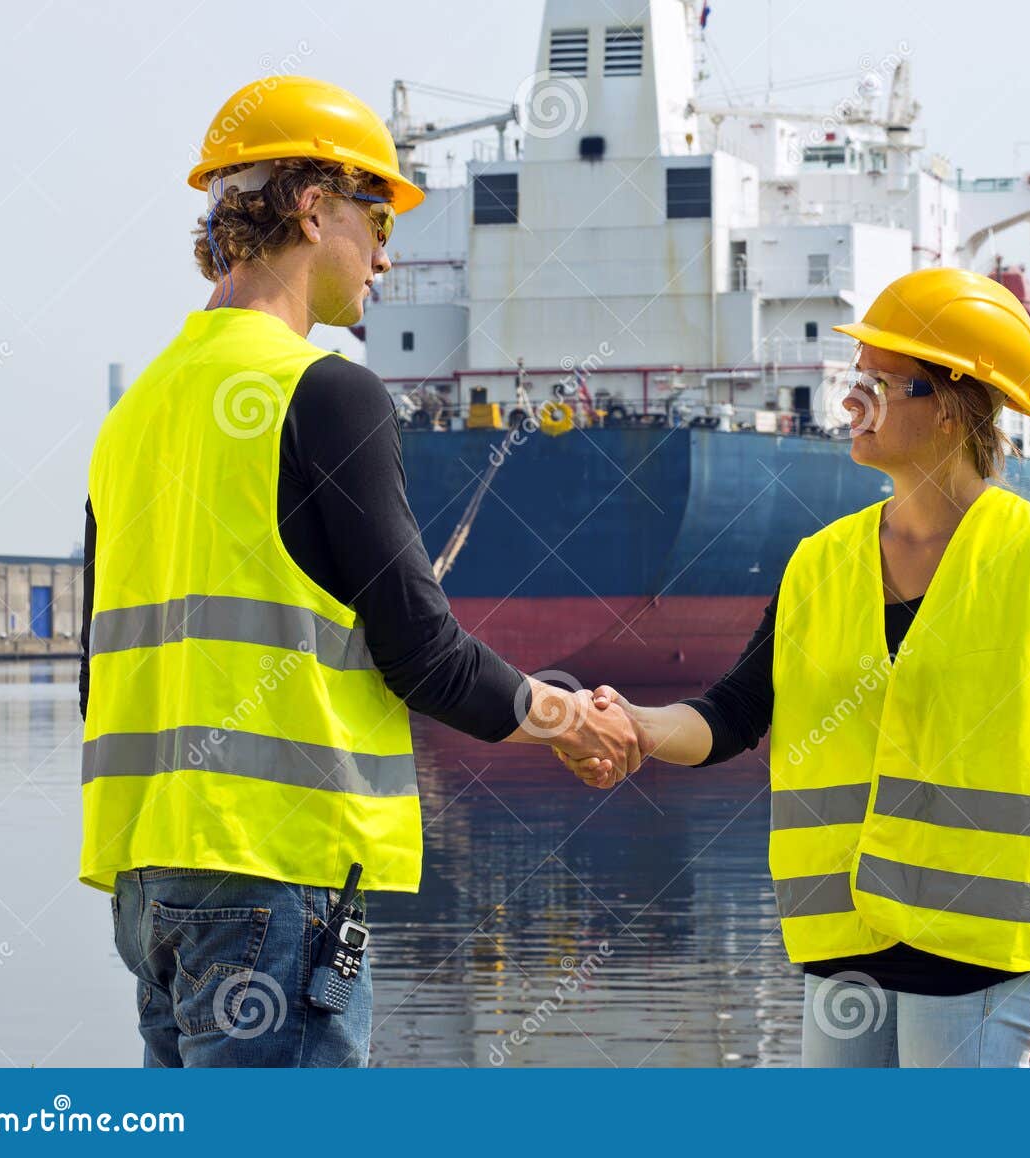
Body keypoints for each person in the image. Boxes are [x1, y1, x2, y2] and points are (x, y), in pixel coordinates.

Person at [79, 76, 641, 1069]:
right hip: (273, 878)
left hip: (149, 887)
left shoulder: (135, 414)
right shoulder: (325, 393)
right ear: (313, 207)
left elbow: (100, 673)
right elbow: (420, 651)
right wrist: (566, 720)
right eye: (376, 219)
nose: (386, 255)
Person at [562, 268, 1030, 1068]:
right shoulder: (819, 563)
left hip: (977, 955)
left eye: (876, 384)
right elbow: (732, 714)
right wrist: (638, 726)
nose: (848, 402)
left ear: (952, 406)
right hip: (840, 949)